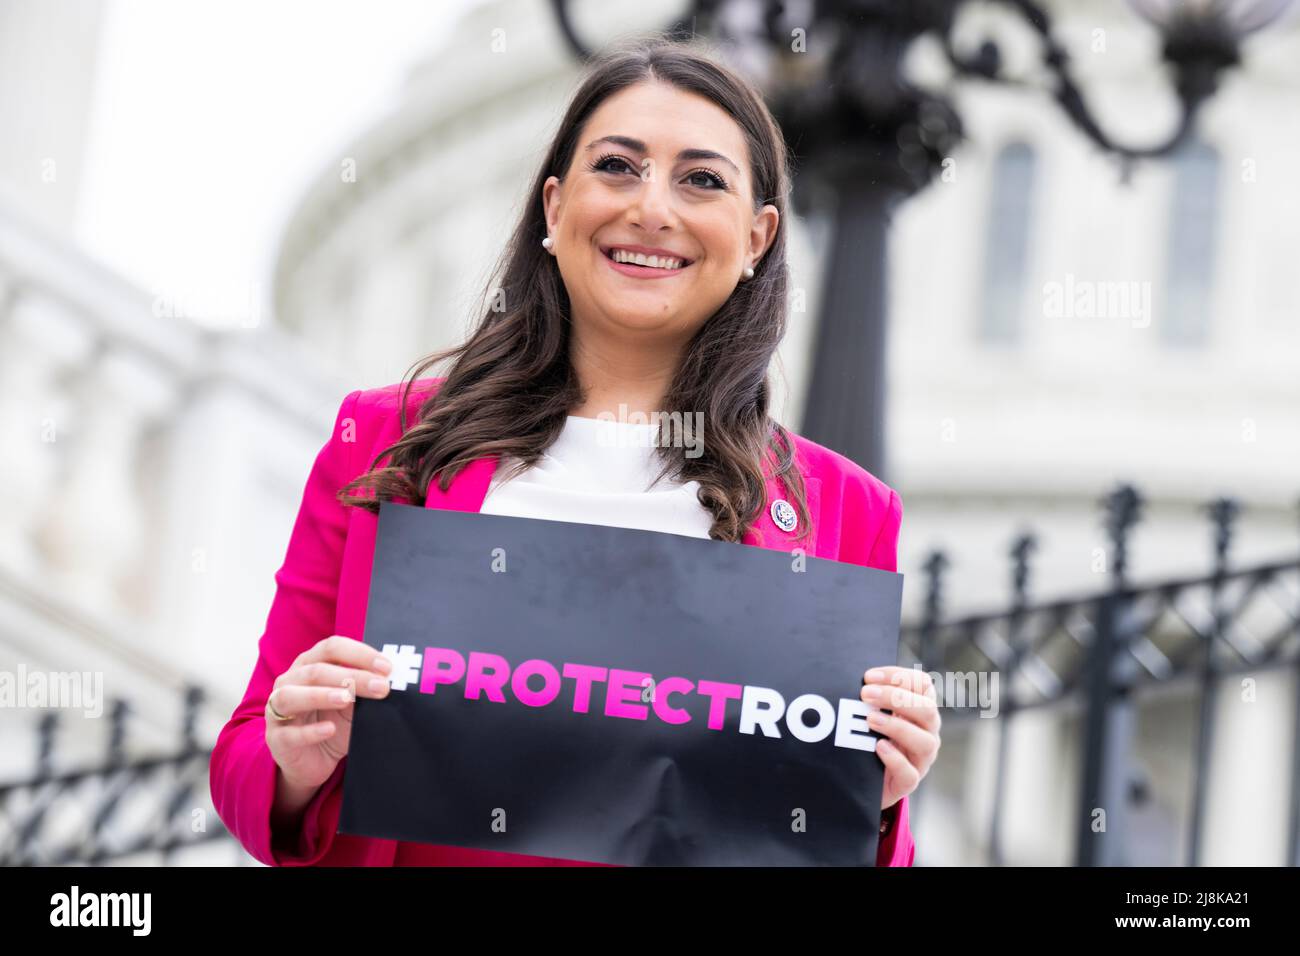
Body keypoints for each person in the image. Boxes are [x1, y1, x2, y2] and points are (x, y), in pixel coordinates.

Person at [209, 35, 940, 867]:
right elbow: (245, 757)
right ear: (554, 209)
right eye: (618, 167)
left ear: (758, 239)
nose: (651, 209)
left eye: (701, 179)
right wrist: (295, 760)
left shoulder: (842, 508)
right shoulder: (386, 445)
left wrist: (875, 804)